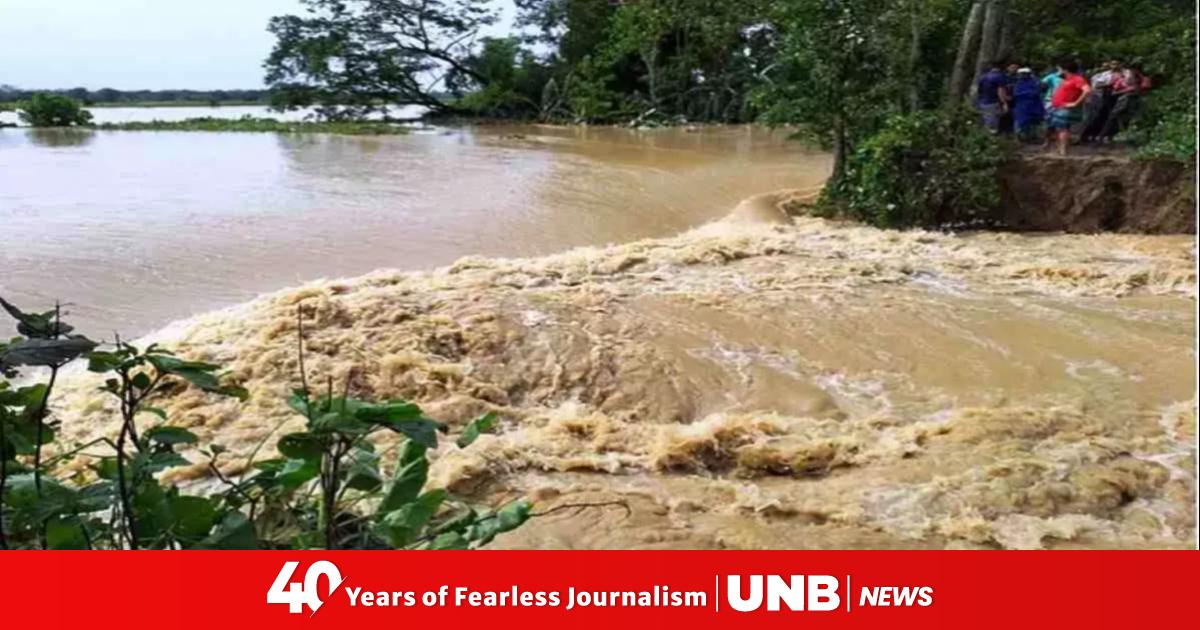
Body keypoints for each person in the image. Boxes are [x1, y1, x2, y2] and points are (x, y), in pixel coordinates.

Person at [1047, 60, 1091, 156]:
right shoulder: (1067, 79)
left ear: (1065, 70)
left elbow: (1087, 90)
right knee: (1060, 129)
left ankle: (1063, 151)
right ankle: (1061, 150)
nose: (1058, 71)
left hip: (1066, 108)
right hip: (1060, 107)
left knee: (1063, 129)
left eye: (1059, 69)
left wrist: (1076, 103)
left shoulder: (1077, 79)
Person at [1101, 65, 1144, 141]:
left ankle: (1107, 134)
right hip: (1124, 98)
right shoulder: (1124, 78)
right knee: (1114, 116)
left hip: (1130, 99)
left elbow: (1136, 88)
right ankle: (1105, 135)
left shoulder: (1136, 77)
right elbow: (1115, 90)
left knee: (1120, 117)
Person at [1081, 60, 1120, 143]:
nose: (1114, 66)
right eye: (1112, 64)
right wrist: (1109, 84)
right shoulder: (1101, 75)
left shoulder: (1123, 74)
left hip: (1113, 97)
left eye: (1116, 64)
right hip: (1099, 97)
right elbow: (1095, 85)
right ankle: (1088, 135)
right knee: (1095, 116)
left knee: (1108, 117)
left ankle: (1103, 135)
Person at [1011, 67, 1045, 143]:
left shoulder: (1035, 82)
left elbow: (1038, 91)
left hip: (1034, 105)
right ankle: (1018, 138)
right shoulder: (1018, 83)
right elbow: (1016, 95)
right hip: (1022, 106)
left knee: (1034, 123)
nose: (1023, 75)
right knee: (1021, 123)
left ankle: (1032, 137)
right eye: (1022, 74)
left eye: (1025, 74)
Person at [976, 61, 1009, 133]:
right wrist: (1004, 103)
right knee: (992, 125)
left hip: (982, 102)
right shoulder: (999, 77)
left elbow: (979, 91)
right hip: (992, 103)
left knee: (984, 122)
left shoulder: (983, 77)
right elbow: (1000, 92)